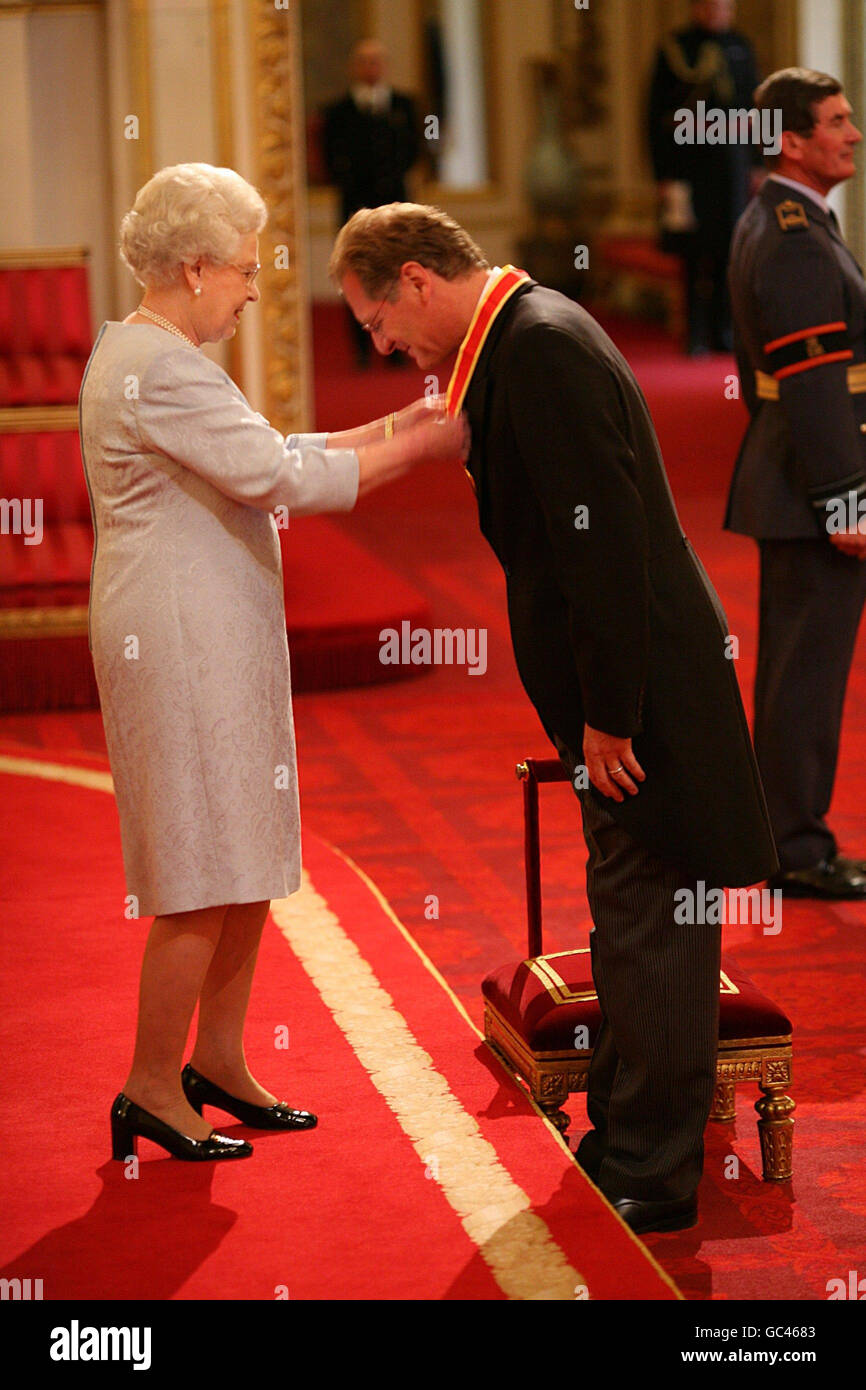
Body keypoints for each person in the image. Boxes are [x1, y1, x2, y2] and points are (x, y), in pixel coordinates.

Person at [329, 203, 777, 1234]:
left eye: (375, 320)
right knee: (628, 916)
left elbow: (605, 550)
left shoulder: (537, 349)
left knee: (656, 926)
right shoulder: (519, 340)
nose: (381, 343)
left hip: (643, 699)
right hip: (623, 693)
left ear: (413, 280)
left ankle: (654, 1177)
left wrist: (610, 720)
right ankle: (623, 1126)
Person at [79, 164, 467, 1163]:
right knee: (197, 866)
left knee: (240, 848)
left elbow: (268, 448)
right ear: (195, 266)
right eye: (246, 270)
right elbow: (276, 473)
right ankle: (152, 1084)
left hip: (207, 628)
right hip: (177, 640)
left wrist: (398, 424)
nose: (255, 288)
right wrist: (423, 446)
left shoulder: (153, 353)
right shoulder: (157, 365)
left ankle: (216, 1059)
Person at [725, 70, 866, 900]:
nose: (853, 133)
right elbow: (813, 381)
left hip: (791, 474)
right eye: (837, 121)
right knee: (806, 676)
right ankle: (798, 848)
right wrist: (847, 495)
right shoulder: (793, 237)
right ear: (792, 141)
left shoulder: (782, 220)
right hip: (815, 485)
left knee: (792, 671)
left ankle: (781, 836)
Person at [648, 0, 761, 354]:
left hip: (732, 165)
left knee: (730, 249)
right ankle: (694, 333)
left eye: (726, 6)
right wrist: (662, 173)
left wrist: (757, 163)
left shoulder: (742, 47)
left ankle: (724, 330)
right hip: (688, 164)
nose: (719, 13)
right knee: (693, 250)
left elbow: (755, 109)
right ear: (697, 7)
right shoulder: (675, 48)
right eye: (712, 6)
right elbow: (654, 115)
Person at [322, 39, 419, 367]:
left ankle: (399, 346)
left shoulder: (404, 106)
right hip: (354, 206)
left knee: (398, 272)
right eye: (363, 61)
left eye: (376, 61)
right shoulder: (337, 113)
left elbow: (415, 150)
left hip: (395, 205)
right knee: (356, 273)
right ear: (354, 67)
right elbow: (328, 158)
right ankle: (362, 352)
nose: (370, 68)